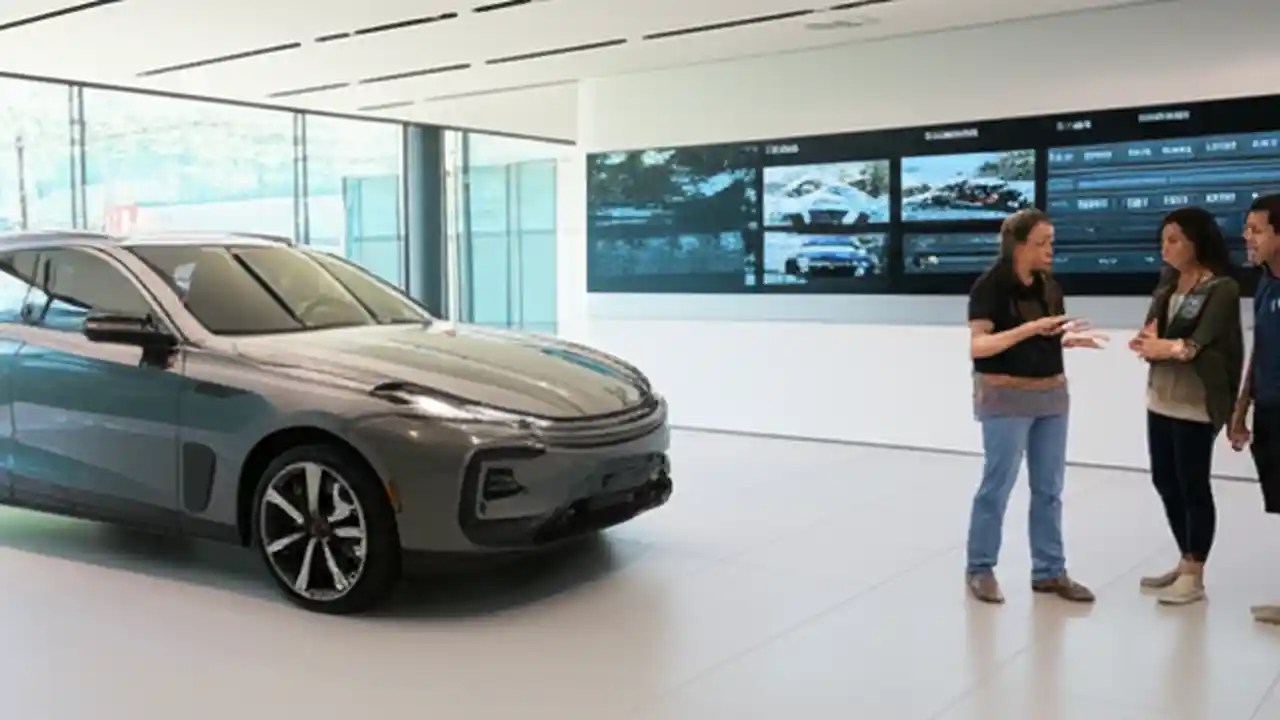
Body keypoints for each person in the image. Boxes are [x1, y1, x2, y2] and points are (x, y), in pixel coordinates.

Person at [965, 208, 1105, 604]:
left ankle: (1049, 570)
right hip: (1005, 396)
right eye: (1042, 243)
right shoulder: (989, 287)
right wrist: (1029, 329)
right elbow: (980, 346)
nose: (1049, 250)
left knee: (1049, 488)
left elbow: (1044, 336)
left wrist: (1065, 340)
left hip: (1051, 396)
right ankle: (980, 568)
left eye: (1051, 243)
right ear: (1019, 246)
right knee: (997, 484)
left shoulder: (1050, 287)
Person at [1128, 207, 1243, 606]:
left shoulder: (1222, 288)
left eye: (1174, 240)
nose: (1166, 248)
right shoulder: (1167, 285)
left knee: (1193, 485)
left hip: (1195, 404)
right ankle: (1184, 559)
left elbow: (1197, 344)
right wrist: (1152, 344)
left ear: (1197, 242)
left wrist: (1172, 347)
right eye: (1163, 240)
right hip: (1160, 398)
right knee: (1165, 481)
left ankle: (1195, 573)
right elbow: (1154, 335)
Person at [1229, 193, 1280, 625]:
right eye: (1247, 229)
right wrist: (1241, 407)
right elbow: (1260, 347)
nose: (1248, 237)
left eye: (1257, 230)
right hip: (1269, 409)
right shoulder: (1265, 284)